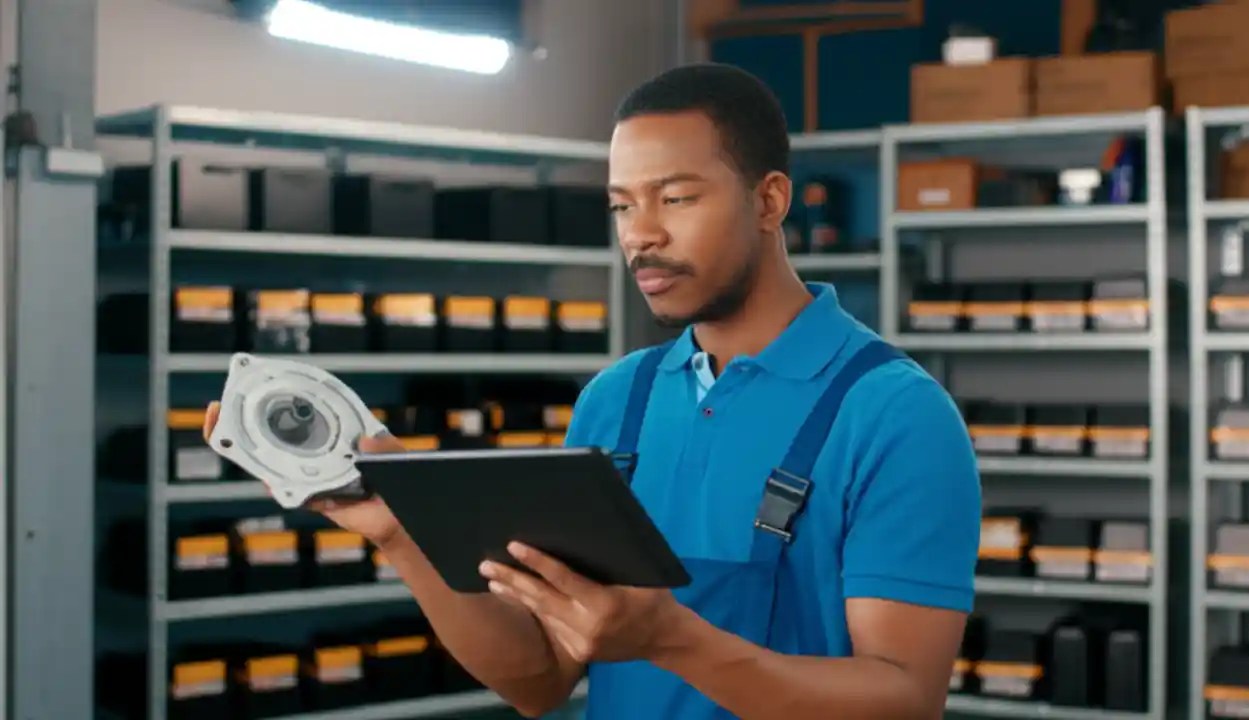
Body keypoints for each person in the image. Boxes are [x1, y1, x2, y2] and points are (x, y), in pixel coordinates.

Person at [204, 62, 980, 719]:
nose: (639, 233)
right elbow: (542, 678)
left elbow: (905, 700)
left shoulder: (894, 414)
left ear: (770, 201)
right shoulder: (616, 401)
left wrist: (672, 639)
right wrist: (402, 536)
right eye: (620, 204)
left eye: (675, 198)